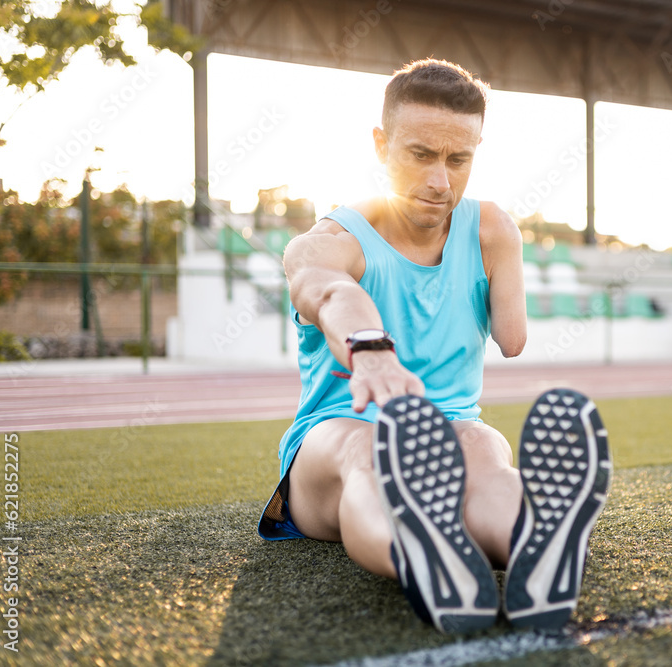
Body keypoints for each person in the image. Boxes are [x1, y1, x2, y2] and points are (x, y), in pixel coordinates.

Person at [257, 58, 611, 633]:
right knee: (367, 457)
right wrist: (371, 347)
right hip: (340, 428)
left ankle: (535, 546)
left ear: (477, 150)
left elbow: (512, 338)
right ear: (380, 144)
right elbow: (325, 290)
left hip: (450, 425)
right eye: (420, 155)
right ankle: (422, 552)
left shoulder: (492, 227)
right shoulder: (334, 237)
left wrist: (497, 251)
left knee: (484, 457)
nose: (440, 182)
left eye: (458, 159)